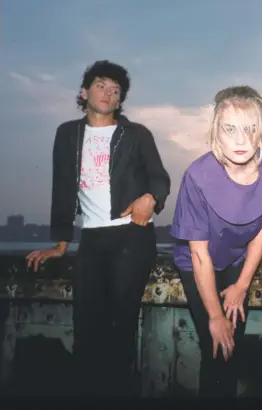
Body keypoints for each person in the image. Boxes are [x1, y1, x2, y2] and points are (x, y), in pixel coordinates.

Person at [26, 60, 171, 396]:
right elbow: (62, 188)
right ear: (84, 91)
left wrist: (151, 198)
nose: (108, 93)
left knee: (120, 331)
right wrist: (60, 244)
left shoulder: (136, 135)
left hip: (131, 237)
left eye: (115, 90)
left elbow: (159, 178)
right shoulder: (67, 134)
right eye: (102, 85)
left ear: (120, 101)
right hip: (91, 239)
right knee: (87, 329)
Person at [170, 85, 262, 397]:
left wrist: (241, 286)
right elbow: (199, 256)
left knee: (231, 344)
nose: (241, 139)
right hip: (198, 262)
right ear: (216, 132)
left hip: (238, 261)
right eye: (230, 128)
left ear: (260, 131)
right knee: (216, 339)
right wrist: (214, 314)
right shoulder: (197, 176)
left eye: (250, 128)